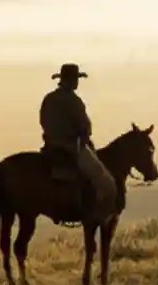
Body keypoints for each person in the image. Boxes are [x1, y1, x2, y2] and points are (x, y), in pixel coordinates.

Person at [40, 63, 116, 222]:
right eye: (76, 79)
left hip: (50, 145)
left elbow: (43, 121)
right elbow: (85, 125)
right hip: (70, 146)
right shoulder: (74, 101)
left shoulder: (49, 98)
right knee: (102, 177)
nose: (77, 83)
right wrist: (83, 137)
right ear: (73, 80)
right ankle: (97, 213)